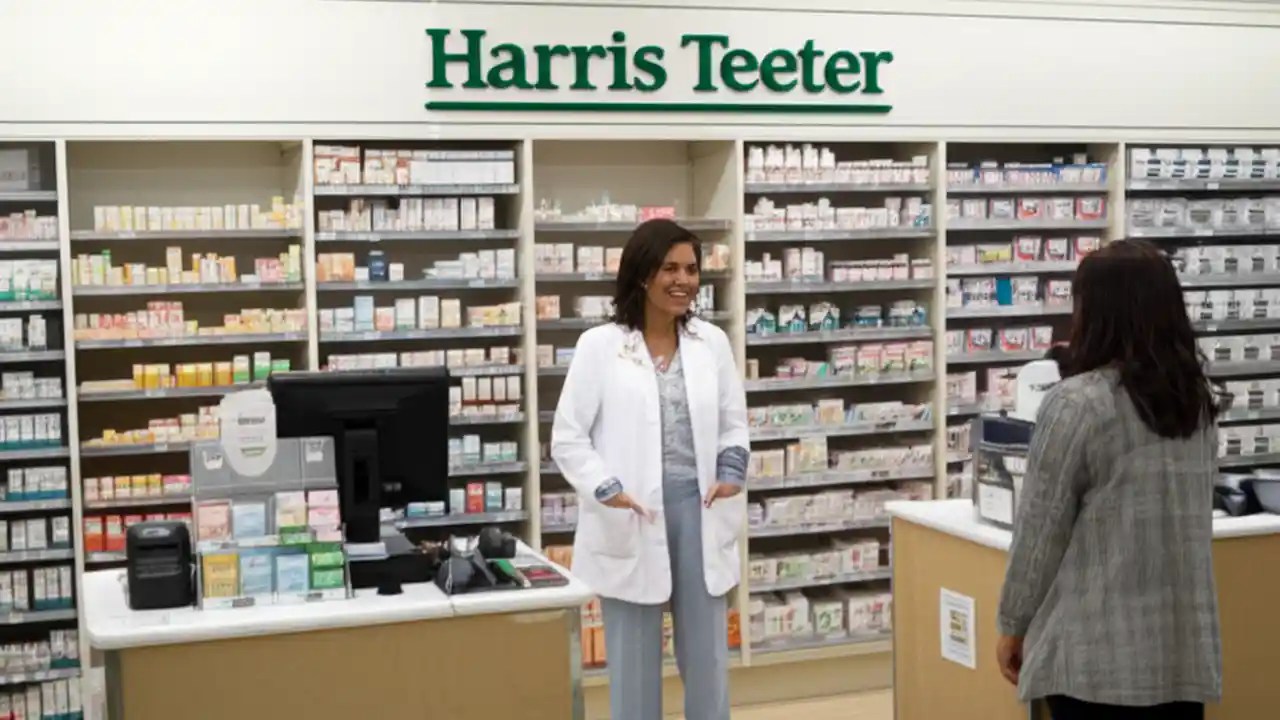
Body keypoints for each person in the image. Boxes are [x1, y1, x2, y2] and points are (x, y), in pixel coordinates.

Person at [996, 239, 1222, 720]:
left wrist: (1013, 623)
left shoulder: (1077, 402)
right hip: (1180, 656)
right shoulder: (1195, 403)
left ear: (1094, 311)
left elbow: (1040, 530)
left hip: (1095, 660)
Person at [551, 218, 749, 720]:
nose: (684, 280)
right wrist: (606, 487)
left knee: (707, 662)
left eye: (691, 269)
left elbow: (734, 423)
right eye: (670, 268)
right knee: (634, 667)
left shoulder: (712, 343)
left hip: (700, 511)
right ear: (643, 274)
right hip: (633, 513)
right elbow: (568, 436)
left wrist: (731, 466)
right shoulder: (601, 346)